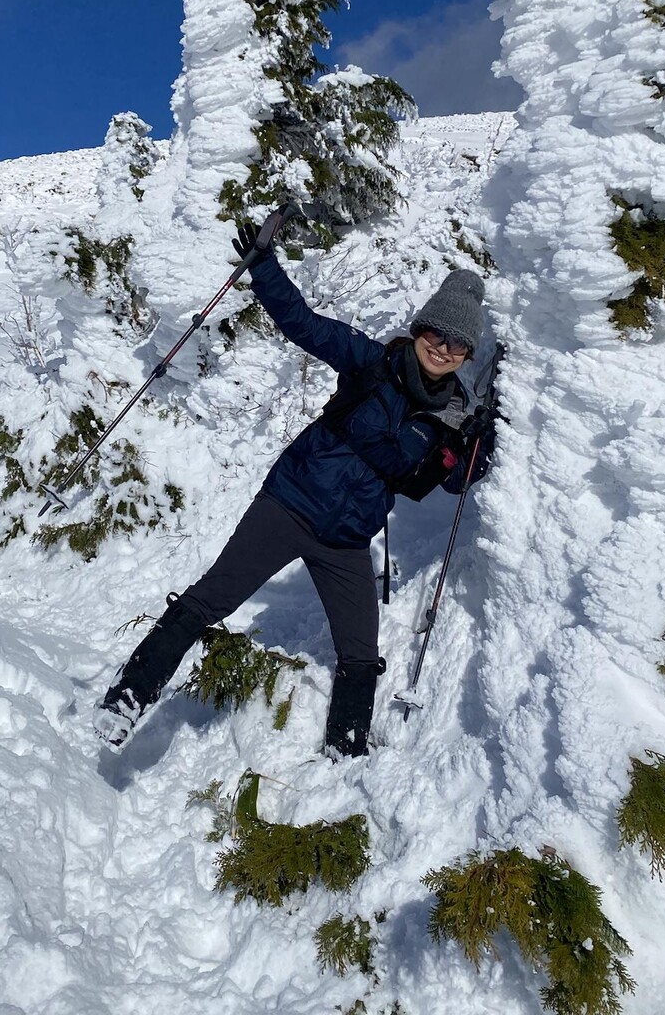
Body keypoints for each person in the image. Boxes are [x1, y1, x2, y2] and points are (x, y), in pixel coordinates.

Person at [93, 222, 494, 758]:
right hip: (288, 505)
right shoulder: (370, 362)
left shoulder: (446, 418)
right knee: (211, 598)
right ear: (419, 331)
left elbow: (438, 482)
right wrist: (263, 267)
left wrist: (478, 446)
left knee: (359, 651)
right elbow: (303, 324)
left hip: (346, 542)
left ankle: (345, 750)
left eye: (457, 344)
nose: (443, 349)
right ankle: (128, 697)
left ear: (468, 355)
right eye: (436, 335)